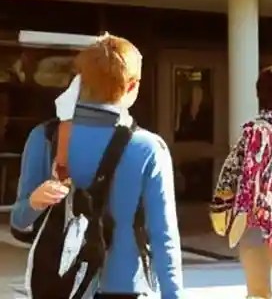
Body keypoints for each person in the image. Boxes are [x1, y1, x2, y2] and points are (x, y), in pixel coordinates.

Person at [10, 33, 184, 298]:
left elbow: (20, 221)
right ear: (132, 85)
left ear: (80, 80)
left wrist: (35, 202)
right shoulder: (149, 148)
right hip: (125, 286)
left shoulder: (45, 137)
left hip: (59, 285)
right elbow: (163, 238)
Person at [211, 63, 272, 299]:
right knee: (261, 295)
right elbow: (249, 189)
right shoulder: (259, 131)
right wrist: (270, 235)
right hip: (261, 231)